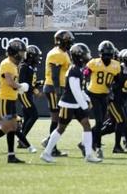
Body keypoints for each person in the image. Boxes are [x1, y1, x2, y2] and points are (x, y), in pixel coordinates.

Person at [39, 43, 101, 163]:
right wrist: (84, 105)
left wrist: (86, 98)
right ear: (78, 56)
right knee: (60, 128)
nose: (86, 56)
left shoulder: (79, 69)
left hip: (76, 104)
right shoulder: (73, 70)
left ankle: (88, 154)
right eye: (84, 54)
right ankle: (46, 153)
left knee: (86, 126)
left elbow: (80, 89)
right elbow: (75, 90)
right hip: (68, 104)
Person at [84, 40, 121, 158]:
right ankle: (98, 147)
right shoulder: (93, 63)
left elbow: (118, 81)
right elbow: (85, 73)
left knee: (101, 121)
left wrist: (112, 87)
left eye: (109, 54)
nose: (107, 57)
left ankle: (89, 143)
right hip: (93, 94)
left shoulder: (116, 65)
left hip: (104, 95)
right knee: (99, 121)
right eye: (105, 54)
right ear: (100, 54)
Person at [101, 48, 127, 153]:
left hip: (121, 101)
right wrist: (113, 90)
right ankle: (117, 146)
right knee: (121, 121)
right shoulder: (118, 70)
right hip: (114, 100)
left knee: (112, 126)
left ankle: (92, 137)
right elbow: (109, 83)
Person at [42, 29, 74, 158]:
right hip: (53, 88)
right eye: (68, 41)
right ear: (61, 41)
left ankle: (49, 141)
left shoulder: (63, 53)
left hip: (57, 88)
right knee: (56, 119)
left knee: (60, 118)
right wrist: (59, 91)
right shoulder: (57, 54)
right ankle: (52, 148)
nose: (70, 43)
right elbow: (55, 74)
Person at [17, 44, 42, 152]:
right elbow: (23, 84)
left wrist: (39, 84)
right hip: (24, 94)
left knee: (27, 117)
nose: (37, 58)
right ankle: (22, 139)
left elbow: (31, 82)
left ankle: (21, 141)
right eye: (36, 56)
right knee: (34, 115)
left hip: (28, 94)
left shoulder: (30, 67)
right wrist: (34, 90)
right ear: (30, 56)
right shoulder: (24, 67)